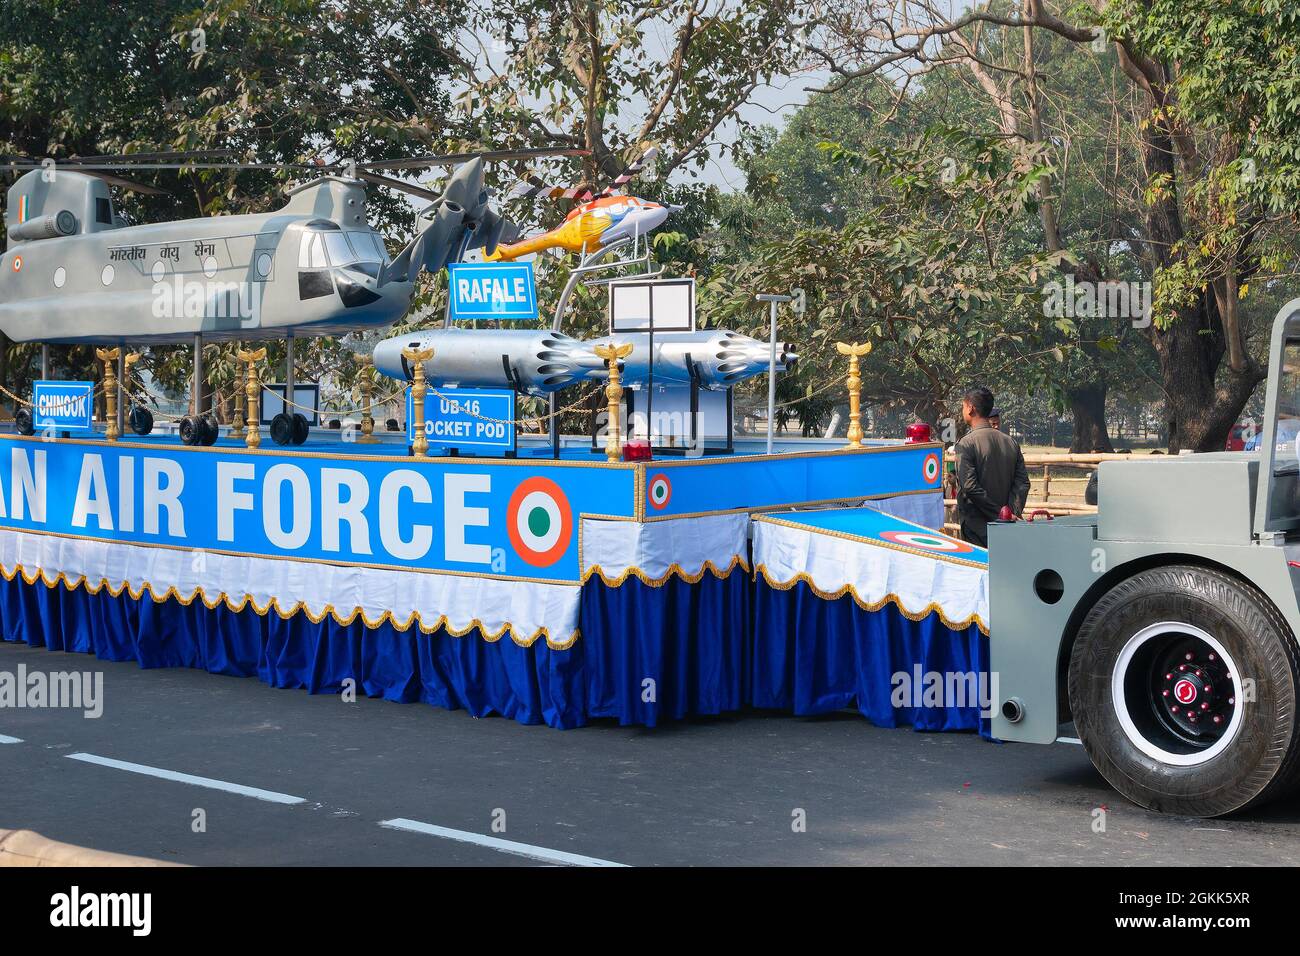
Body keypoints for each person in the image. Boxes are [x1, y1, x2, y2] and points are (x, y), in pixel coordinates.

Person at [954, 386, 1030, 547]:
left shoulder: (966, 444)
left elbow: (969, 486)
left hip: (977, 528)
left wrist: (999, 513)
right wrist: (1010, 513)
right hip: (1007, 527)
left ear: (970, 408)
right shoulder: (1010, 442)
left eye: (963, 406)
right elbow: (1023, 483)